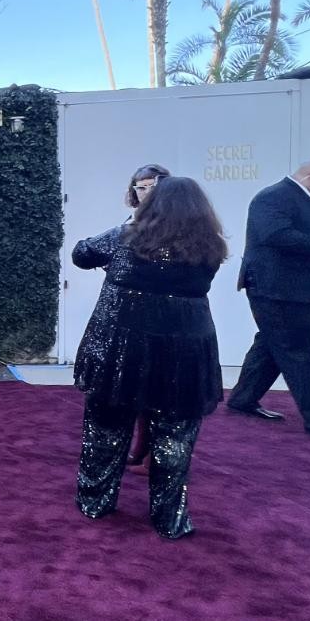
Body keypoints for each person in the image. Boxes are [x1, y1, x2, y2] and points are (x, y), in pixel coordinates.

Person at [72, 175, 225, 539]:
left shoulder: (127, 238)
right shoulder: (210, 247)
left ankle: (95, 501)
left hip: (121, 346)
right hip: (185, 348)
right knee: (175, 436)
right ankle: (169, 517)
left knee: (107, 427)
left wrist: (128, 223)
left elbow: (81, 254)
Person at [227, 160, 310, 436]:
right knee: (298, 350)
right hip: (274, 288)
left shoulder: (302, 200)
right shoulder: (272, 196)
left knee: (272, 343)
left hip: (291, 289)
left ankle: (243, 398)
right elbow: (278, 235)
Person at [119, 164, 171, 469]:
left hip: (166, 316)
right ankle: (142, 447)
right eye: (140, 187)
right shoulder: (131, 221)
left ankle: (157, 453)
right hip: (133, 315)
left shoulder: (179, 223)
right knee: (138, 388)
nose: (146, 192)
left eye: (152, 186)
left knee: (162, 389)